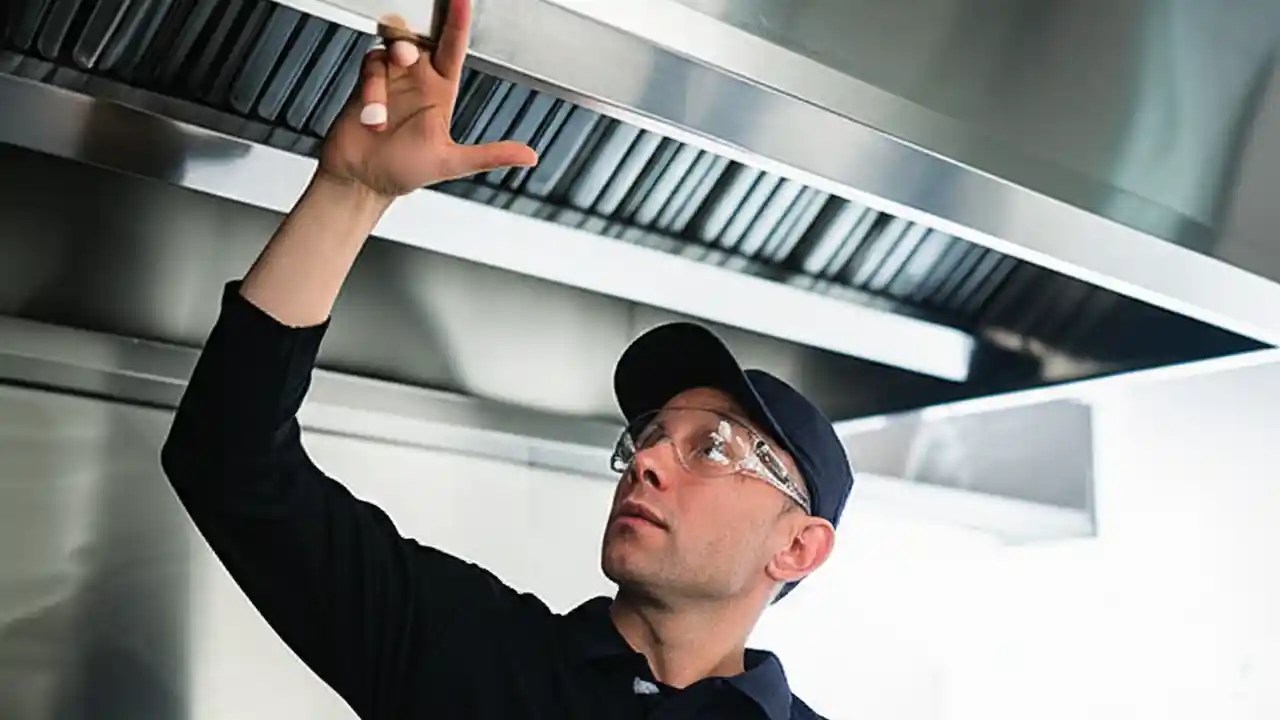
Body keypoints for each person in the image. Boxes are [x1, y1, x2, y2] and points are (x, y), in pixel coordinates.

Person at [160, 1, 854, 717]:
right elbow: (229, 463)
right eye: (648, 437)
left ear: (798, 548)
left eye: (712, 447)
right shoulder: (467, 651)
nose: (646, 463)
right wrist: (350, 195)